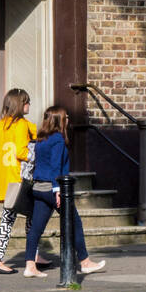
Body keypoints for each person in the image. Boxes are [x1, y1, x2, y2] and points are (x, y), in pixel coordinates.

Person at [22, 106, 106, 280]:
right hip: (53, 189)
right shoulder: (58, 139)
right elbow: (55, 167)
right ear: (59, 120)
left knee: (36, 228)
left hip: (38, 188)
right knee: (75, 223)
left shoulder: (41, 139)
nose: (68, 120)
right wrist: (57, 190)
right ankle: (85, 262)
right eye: (66, 117)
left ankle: (30, 266)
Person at [0, 88, 47, 274]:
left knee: (21, 217)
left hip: (5, 178)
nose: (29, 104)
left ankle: (33, 255)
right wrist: (40, 154)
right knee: (16, 218)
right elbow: (22, 152)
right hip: (18, 178)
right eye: (26, 101)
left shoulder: (2, 124)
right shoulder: (21, 125)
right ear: (19, 104)